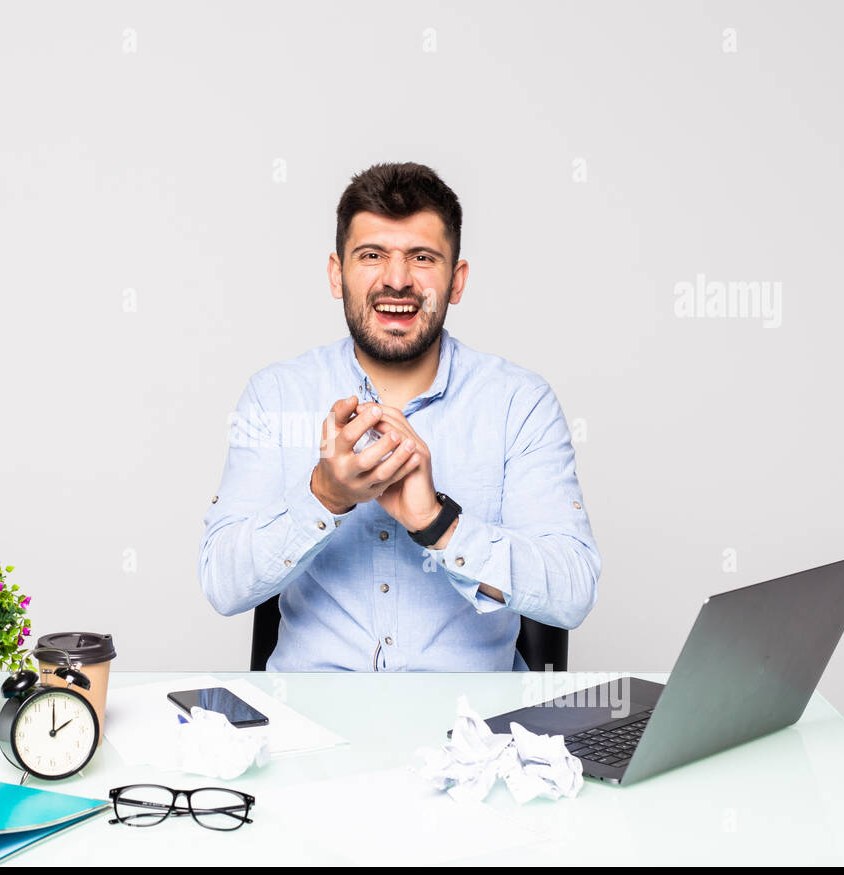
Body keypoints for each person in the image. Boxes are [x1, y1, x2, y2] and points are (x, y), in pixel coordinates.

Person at [198, 162, 601, 671]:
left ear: (456, 281)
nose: (396, 280)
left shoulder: (521, 403)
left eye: (422, 257)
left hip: (470, 728)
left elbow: (573, 592)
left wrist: (437, 523)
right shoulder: (275, 395)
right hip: (311, 725)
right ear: (335, 273)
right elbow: (222, 584)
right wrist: (324, 497)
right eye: (371, 255)